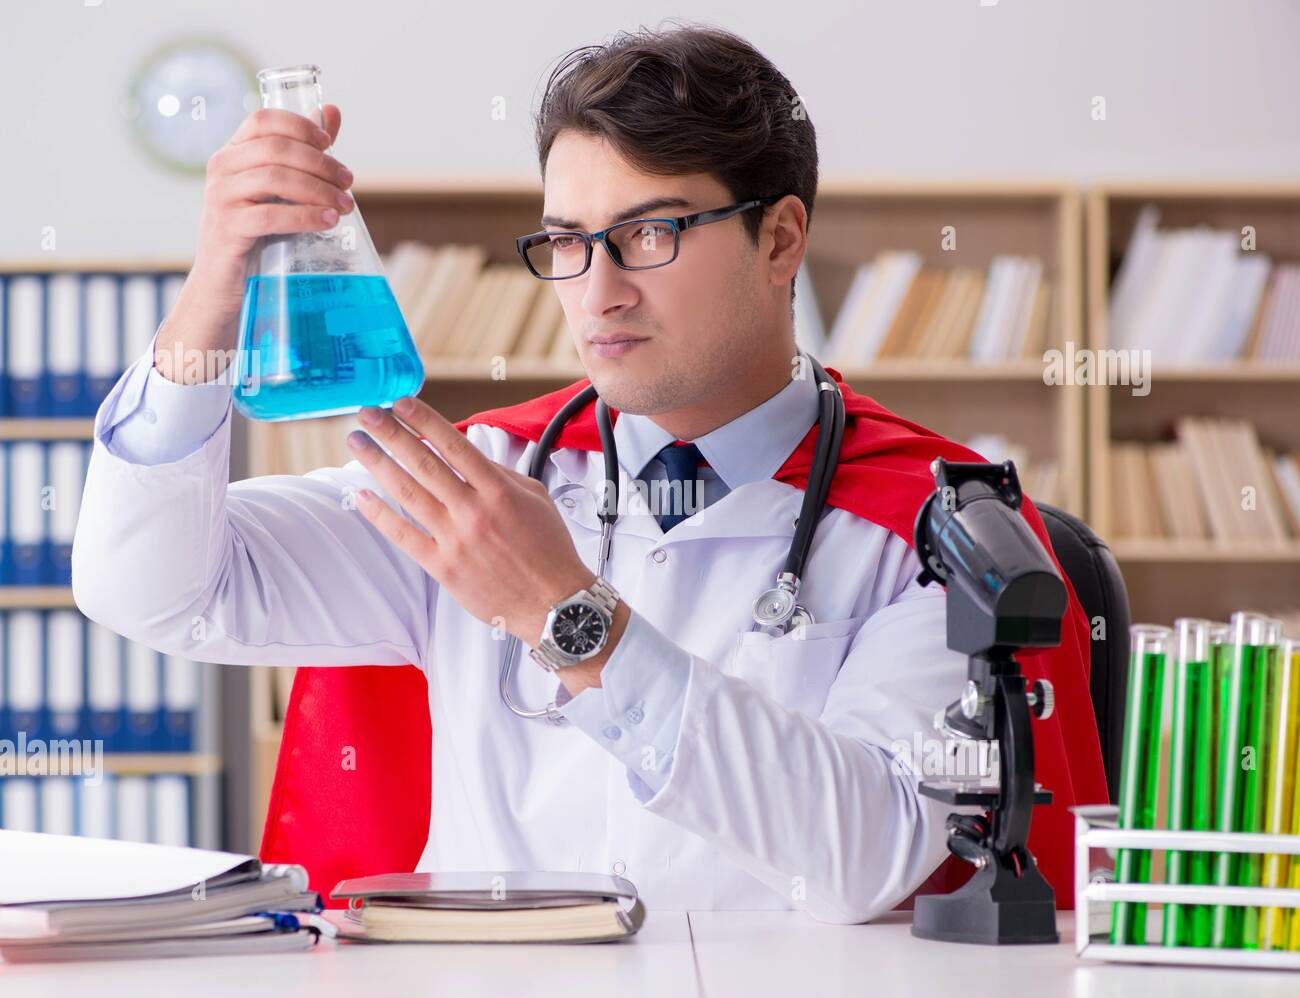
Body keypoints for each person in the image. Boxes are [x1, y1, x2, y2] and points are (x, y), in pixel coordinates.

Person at [73, 24, 1105, 924]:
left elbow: (861, 853)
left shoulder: (938, 527)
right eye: (568, 242)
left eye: (649, 233)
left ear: (781, 239)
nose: (598, 292)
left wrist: (564, 613)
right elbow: (155, 590)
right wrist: (212, 294)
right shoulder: (484, 476)